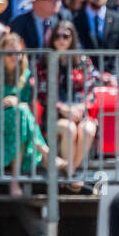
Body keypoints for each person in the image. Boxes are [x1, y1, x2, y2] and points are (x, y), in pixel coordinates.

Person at [38, 19, 99, 189]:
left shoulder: (83, 61)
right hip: (54, 116)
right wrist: (62, 108)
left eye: (66, 36)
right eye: (57, 36)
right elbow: (42, 93)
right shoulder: (45, 61)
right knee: (69, 128)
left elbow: (90, 92)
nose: (61, 40)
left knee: (88, 129)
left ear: (72, 38)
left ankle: (67, 173)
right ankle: (72, 175)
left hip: (80, 113)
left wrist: (80, 108)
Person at [0, 30, 47, 196]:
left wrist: (16, 103)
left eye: (18, 53)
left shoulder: (25, 74)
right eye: (10, 53)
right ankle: (43, 150)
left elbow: (27, 104)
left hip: (19, 120)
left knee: (21, 113)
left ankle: (14, 179)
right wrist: (6, 103)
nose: (14, 57)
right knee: (21, 112)